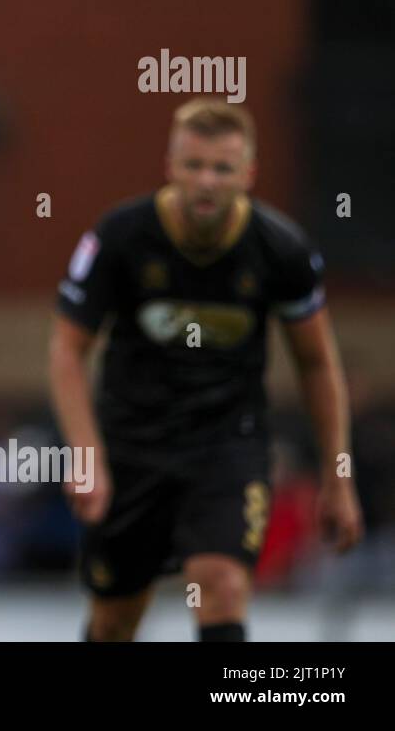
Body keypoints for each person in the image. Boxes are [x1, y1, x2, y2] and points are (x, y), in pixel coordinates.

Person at [48, 97, 364, 641]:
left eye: (222, 168)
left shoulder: (281, 249)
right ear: (170, 166)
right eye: (193, 165)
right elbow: (67, 351)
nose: (207, 182)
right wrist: (86, 454)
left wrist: (338, 476)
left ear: (248, 174)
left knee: (220, 583)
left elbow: (316, 363)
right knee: (115, 616)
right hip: (131, 447)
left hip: (226, 445)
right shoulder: (120, 237)